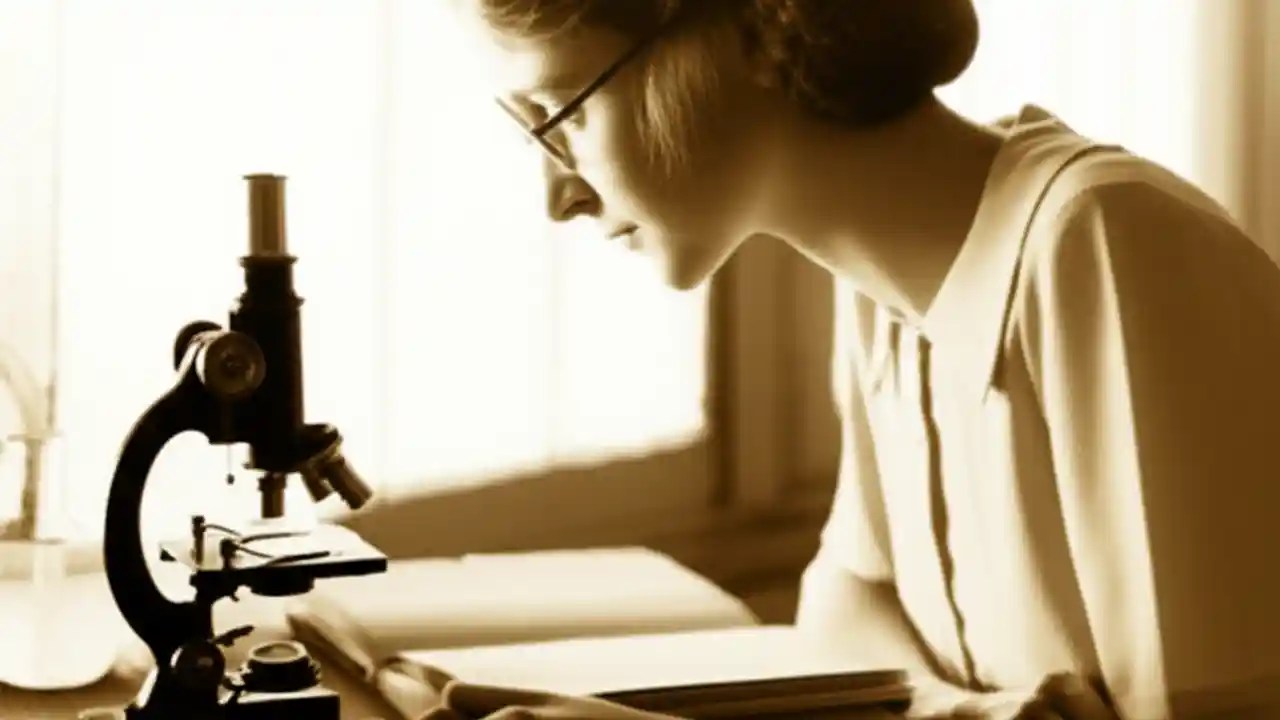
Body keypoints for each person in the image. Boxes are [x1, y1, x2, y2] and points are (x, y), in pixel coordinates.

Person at [407, 0, 1280, 718]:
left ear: (753, 33)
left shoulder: (1108, 246)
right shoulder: (881, 280)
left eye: (563, 118)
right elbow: (848, 600)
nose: (558, 195)